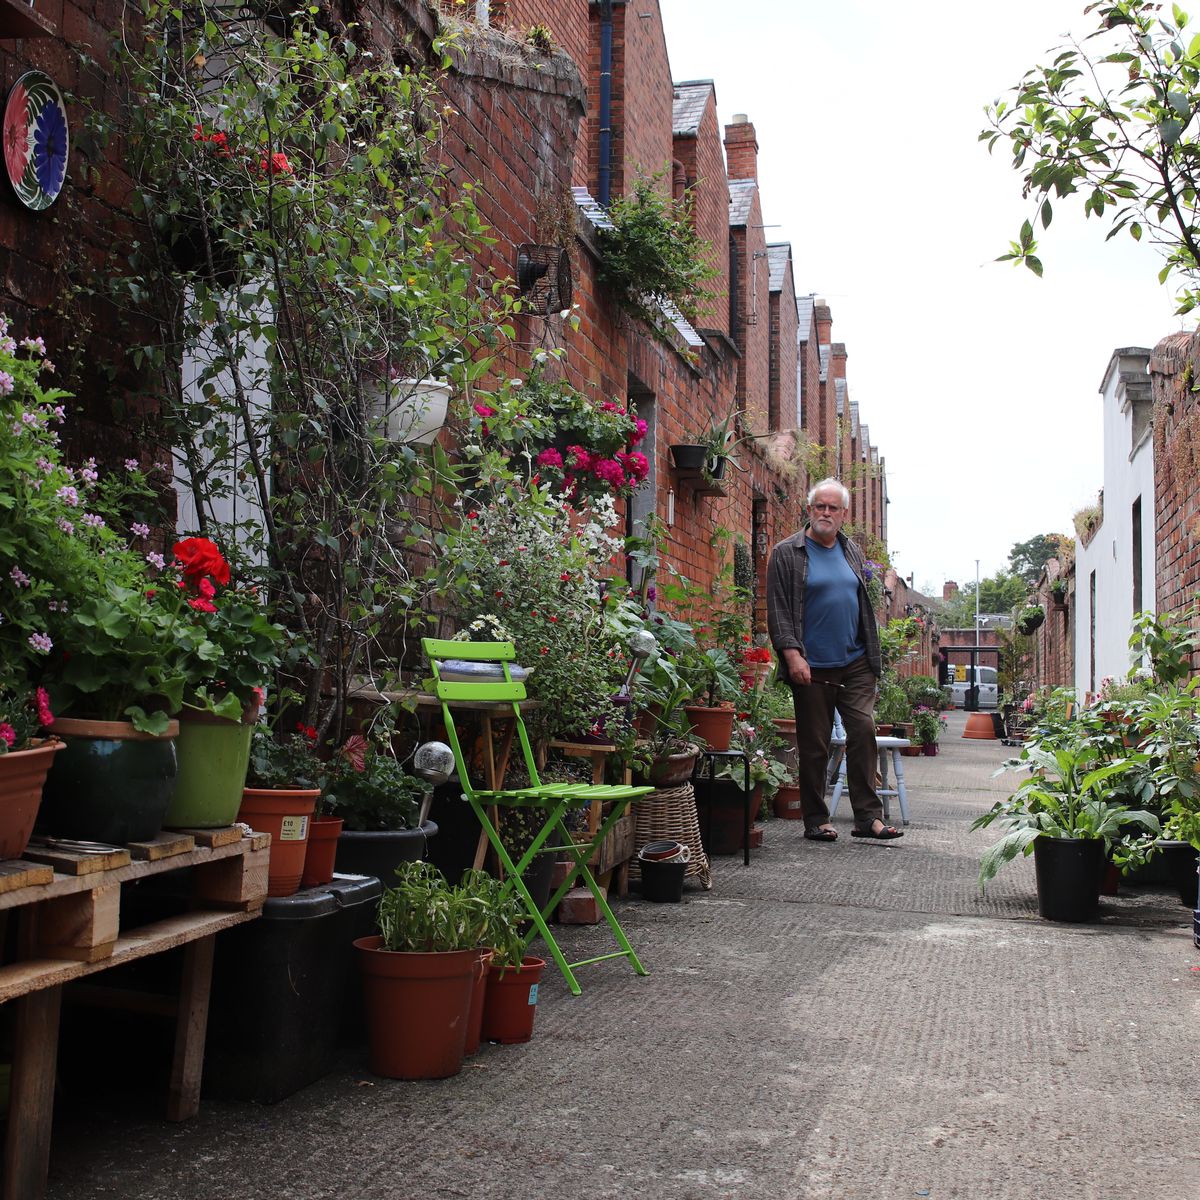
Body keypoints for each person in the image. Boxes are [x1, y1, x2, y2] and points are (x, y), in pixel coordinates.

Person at [766, 477, 903, 842]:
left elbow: (861, 602)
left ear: (844, 514)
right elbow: (778, 610)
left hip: (855, 660)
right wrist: (792, 655)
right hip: (811, 664)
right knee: (815, 743)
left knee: (863, 730)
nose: (826, 513)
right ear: (809, 510)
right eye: (819, 506)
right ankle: (816, 818)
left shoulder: (851, 551)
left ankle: (867, 818)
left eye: (833, 508)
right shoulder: (787, 552)